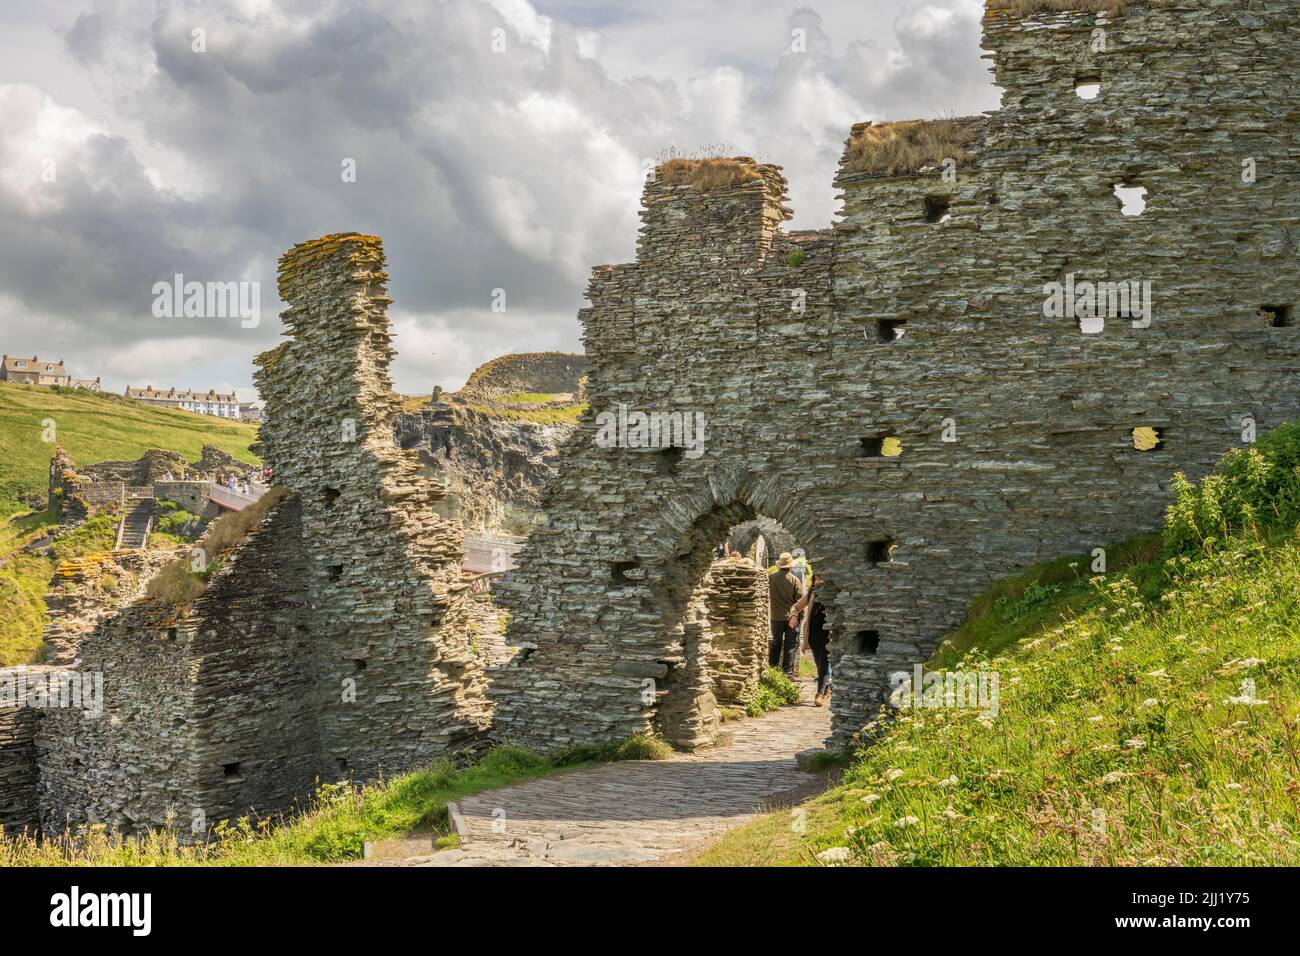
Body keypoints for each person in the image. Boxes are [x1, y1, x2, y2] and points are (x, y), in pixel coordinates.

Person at [791, 576, 832, 706]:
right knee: (820, 665)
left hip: (828, 635)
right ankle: (827, 689)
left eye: (821, 578)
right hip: (813, 636)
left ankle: (819, 695)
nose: (819, 581)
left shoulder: (832, 593)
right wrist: (793, 616)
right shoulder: (811, 594)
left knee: (824, 665)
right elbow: (796, 607)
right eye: (816, 579)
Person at [767, 552, 804, 677]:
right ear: (790, 566)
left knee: (776, 643)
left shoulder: (770, 578)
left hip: (775, 617)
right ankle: (787, 673)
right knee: (790, 645)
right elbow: (799, 602)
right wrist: (799, 618)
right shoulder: (795, 580)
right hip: (791, 618)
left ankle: (772, 669)